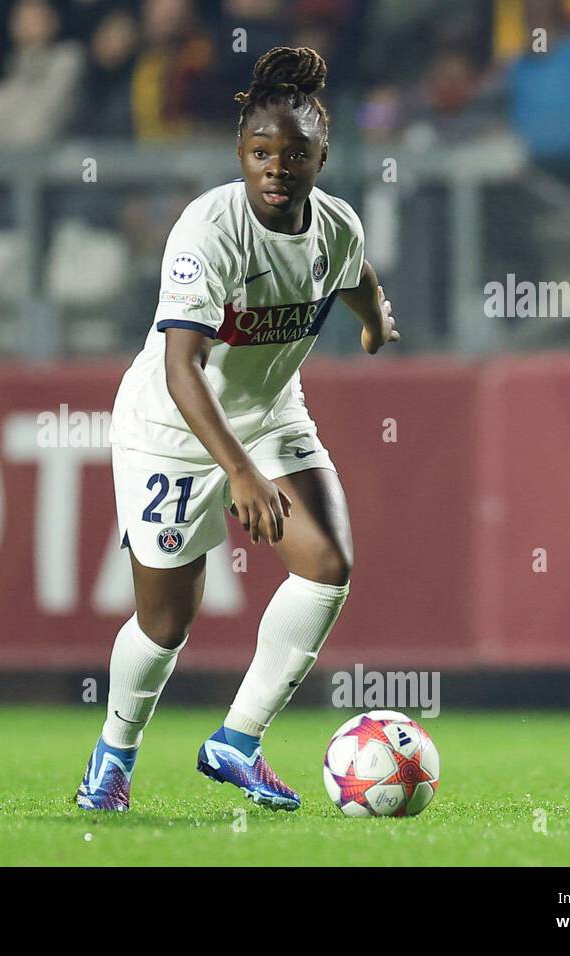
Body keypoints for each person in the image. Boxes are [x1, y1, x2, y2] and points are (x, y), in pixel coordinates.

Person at [77, 46, 400, 812]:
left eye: (294, 153)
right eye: (261, 152)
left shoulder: (336, 228)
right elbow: (184, 367)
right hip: (172, 427)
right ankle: (112, 761)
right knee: (165, 622)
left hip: (269, 411)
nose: (276, 166)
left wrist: (375, 324)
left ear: (323, 156)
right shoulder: (208, 230)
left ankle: (237, 741)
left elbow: (356, 277)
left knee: (328, 563)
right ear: (240, 153)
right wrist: (242, 476)